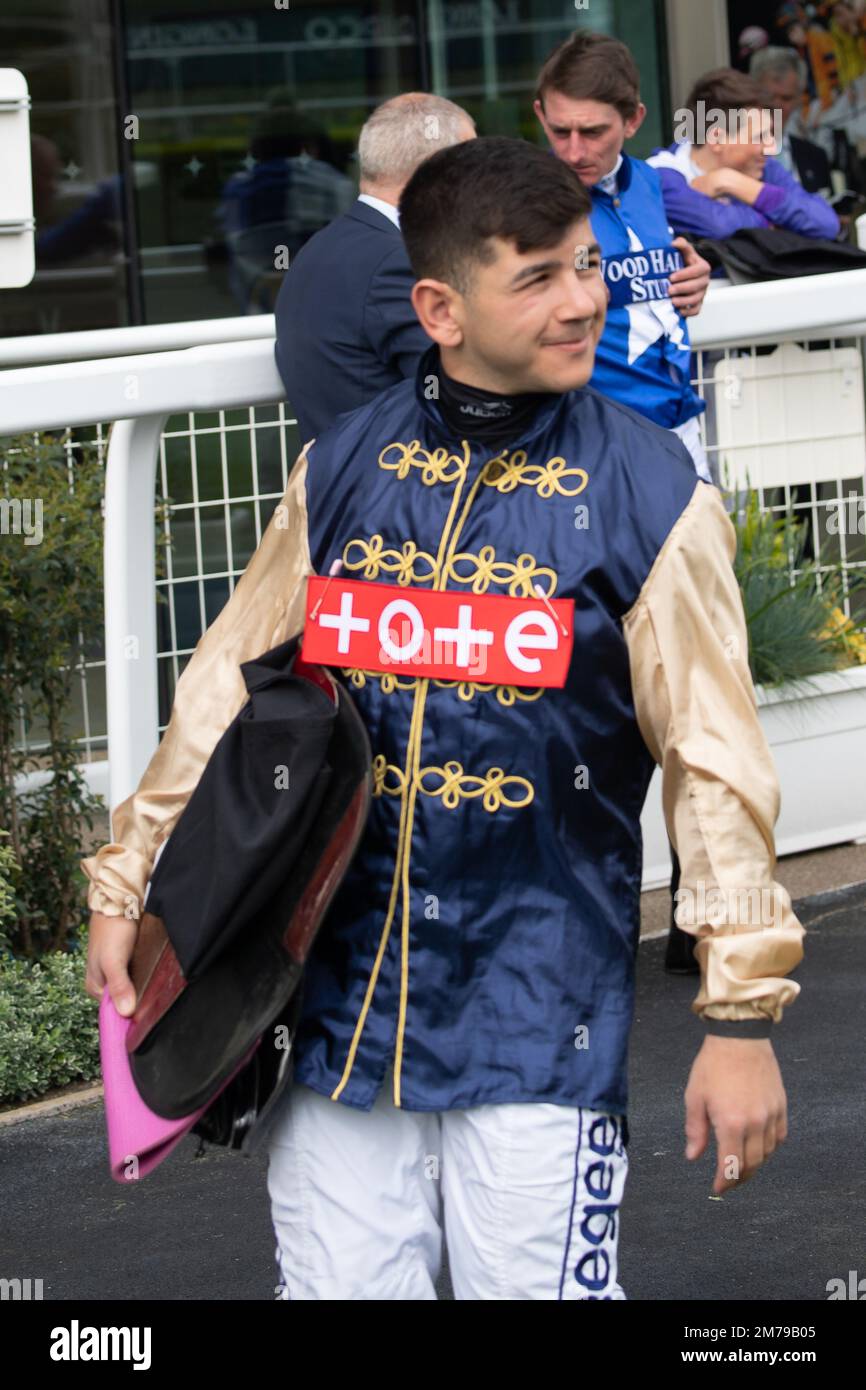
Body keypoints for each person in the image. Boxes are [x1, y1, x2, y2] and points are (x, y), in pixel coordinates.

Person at [83, 137, 804, 1301]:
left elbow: (713, 768)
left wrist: (738, 1011)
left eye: (584, 267)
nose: (581, 303)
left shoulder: (654, 489)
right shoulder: (342, 464)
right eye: (536, 277)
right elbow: (226, 687)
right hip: (328, 1013)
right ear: (438, 306)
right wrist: (129, 880)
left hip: (539, 1016)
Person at [532, 30, 714, 485]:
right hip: (590, 441)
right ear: (540, 116)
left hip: (682, 421)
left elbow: (653, 281)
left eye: (593, 132)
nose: (574, 151)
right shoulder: (526, 204)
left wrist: (693, 277)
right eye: (560, 131)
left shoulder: (651, 182)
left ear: (633, 120)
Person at [273, 93, 476, 444]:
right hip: (409, 483)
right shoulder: (398, 262)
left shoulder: (320, 249)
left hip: (346, 479)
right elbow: (463, 397)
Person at [647, 68, 841, 243]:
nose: (770, 148)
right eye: (760, 137)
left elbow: (826, 224)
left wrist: (733, 183)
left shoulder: (763, 167)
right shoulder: (659, 176)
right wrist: (779, 223)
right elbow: (721, 227)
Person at [750, 46, 835, 193]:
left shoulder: (815, 157)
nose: (776, 105)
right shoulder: (734, 155)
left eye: (786, 98)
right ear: (753, 93)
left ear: (798, 100)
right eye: (769, 96)